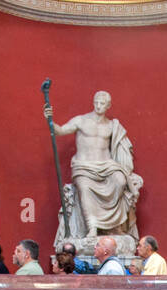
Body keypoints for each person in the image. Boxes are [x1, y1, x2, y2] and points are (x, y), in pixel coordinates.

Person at [44, 90, 143, 235]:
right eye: (96, 102)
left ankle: (113, 226)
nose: (98, 106)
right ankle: (92, 226)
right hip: (84, 167)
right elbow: (60, 130)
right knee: (84, 187)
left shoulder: (112, 126)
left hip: (106, 165)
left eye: (102, 103)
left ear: (108, 106)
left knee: (120, 181)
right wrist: (50, 120)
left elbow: (121, 146)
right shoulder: (81, 121)